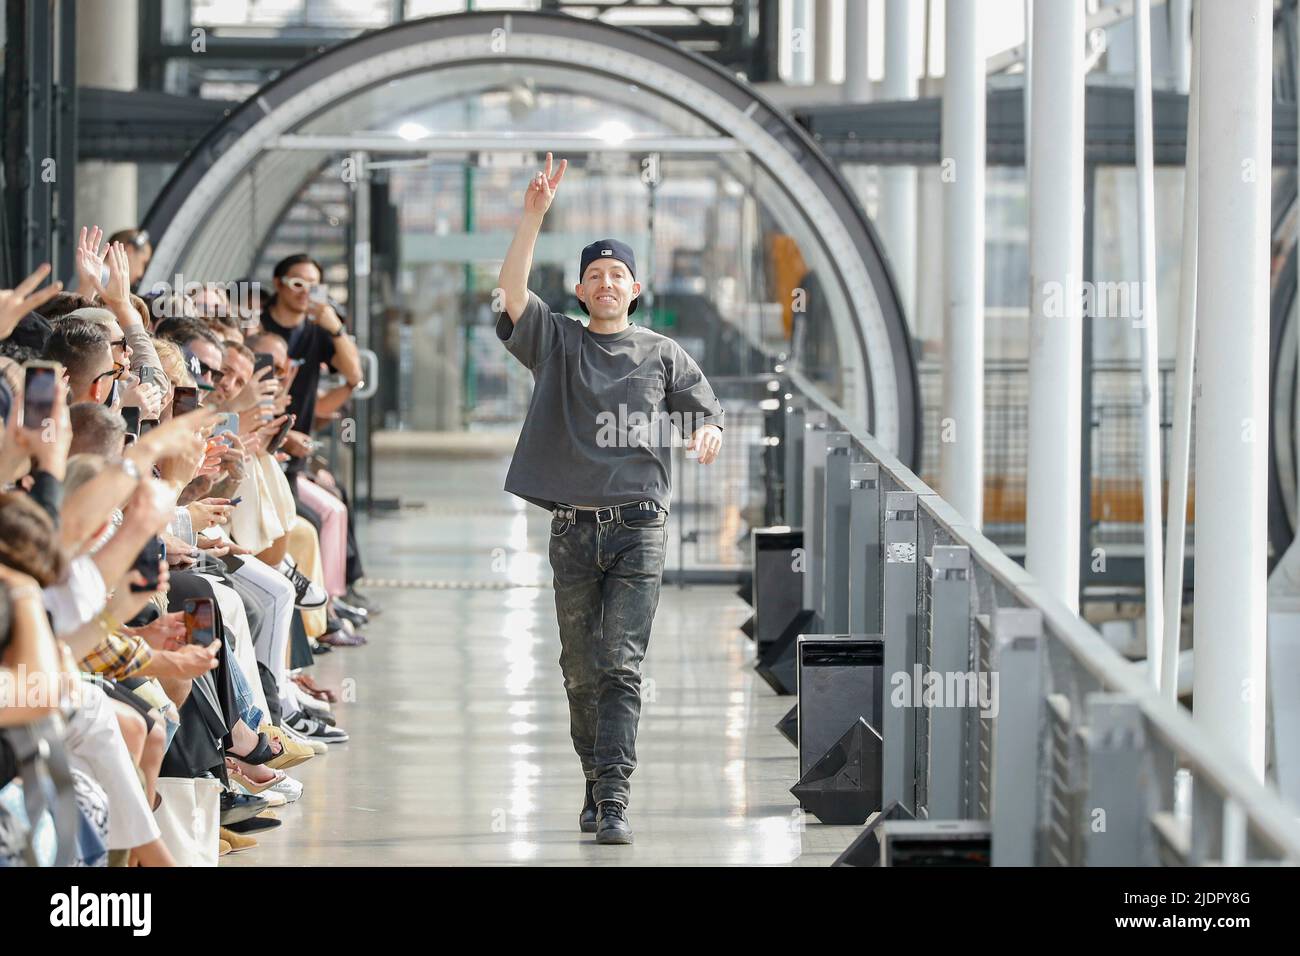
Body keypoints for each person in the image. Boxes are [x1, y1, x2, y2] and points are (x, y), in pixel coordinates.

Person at [495, 152, 724, 845]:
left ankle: (616, 797)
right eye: (594, 275)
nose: (605, 284)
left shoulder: (662, 353)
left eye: (616, 275)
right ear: (580, 288)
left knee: (620, 663)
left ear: (636, 287)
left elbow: (703, 415)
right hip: (573, 530)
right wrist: (532, 217)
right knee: (579, 670)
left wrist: (708, 434)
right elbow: (510, 294)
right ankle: (595, 782)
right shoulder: (556, 342)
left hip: (638, 528)